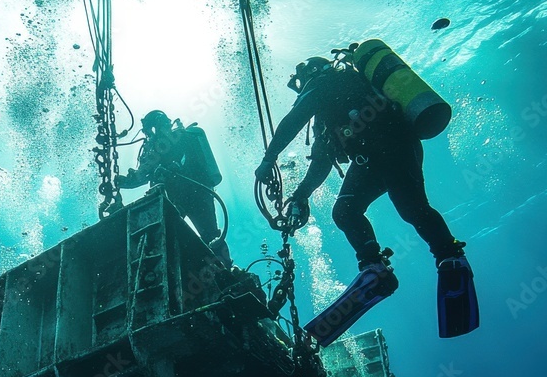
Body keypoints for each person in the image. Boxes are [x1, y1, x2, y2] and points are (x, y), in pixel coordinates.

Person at [255, 56, 467, 273]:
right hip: (374, 159)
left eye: (302, 81)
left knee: (410, 208)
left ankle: (449, 256)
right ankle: (374, 265)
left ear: (312, 73)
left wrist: (268, 158)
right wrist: (301, 195)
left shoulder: (324, 83)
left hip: (394, 146)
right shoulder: (326, 118)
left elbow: (294, 120)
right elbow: (322, 161)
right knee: (347, 211)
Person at [116, 110, 232, 266]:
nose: (151, 133)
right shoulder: (152, 150)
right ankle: (190, 271)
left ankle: (224, 269)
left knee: (210, 235)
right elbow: (141, 176)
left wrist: (178, 168)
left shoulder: (182, 136)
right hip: (176, 199)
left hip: (197, 192)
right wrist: (122, 182)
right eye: (149, 130)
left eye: (152, 128)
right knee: (169, 237)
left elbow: (194, 158)